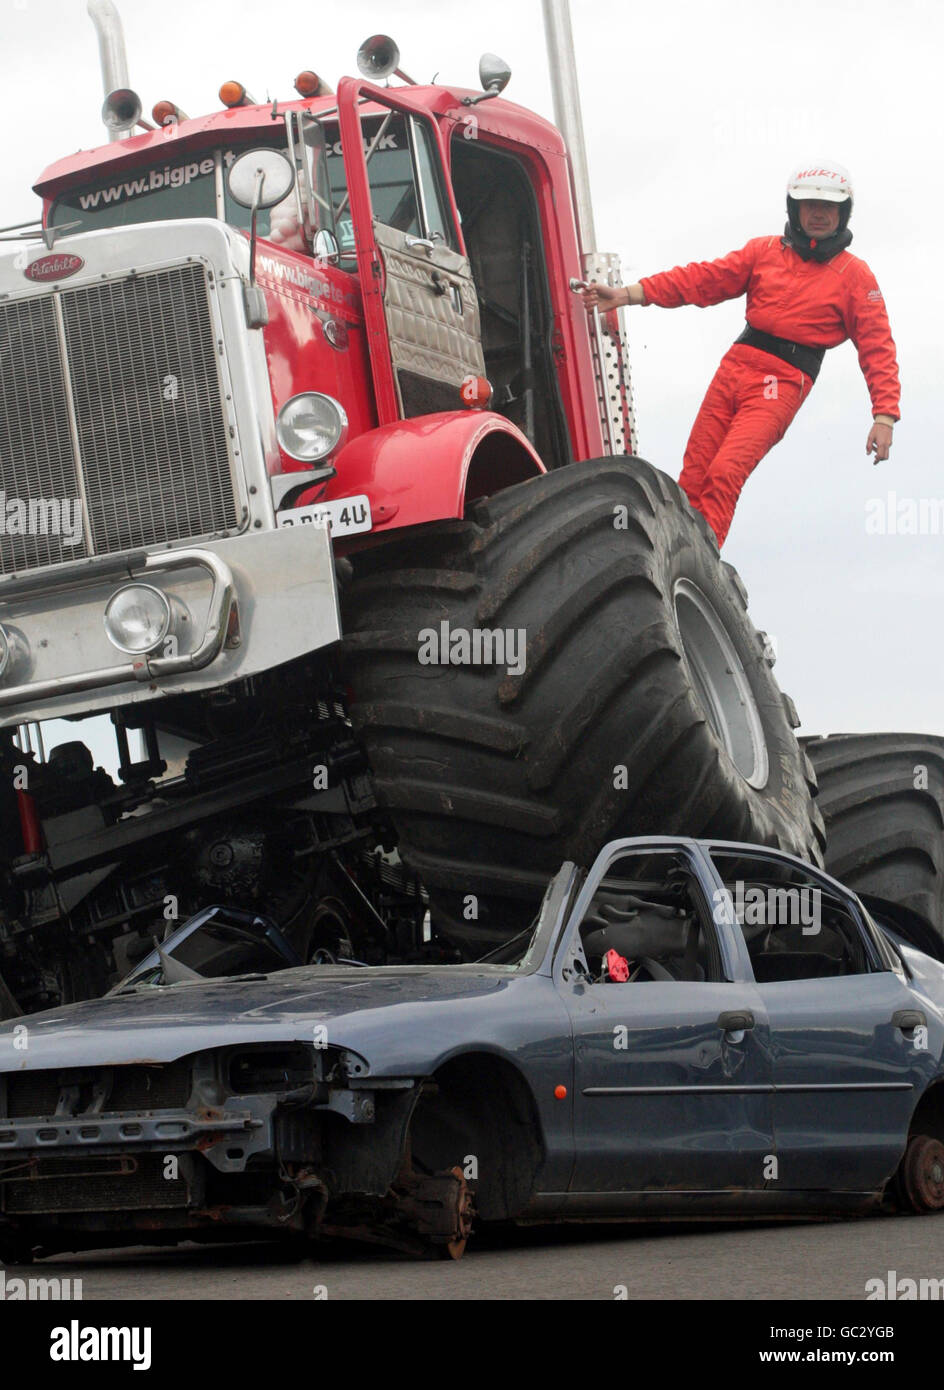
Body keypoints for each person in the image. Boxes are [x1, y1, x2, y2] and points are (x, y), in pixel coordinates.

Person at [579, 163, 900, 547]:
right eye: (808, 203)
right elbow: (702, 279)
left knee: (726, 471)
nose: (817, 213)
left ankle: (702, 564)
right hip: (737, 363)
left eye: (827, 206)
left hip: (781, 382)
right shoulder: (763, 251)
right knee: (694, 475)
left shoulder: (855, 275)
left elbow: (877, 345)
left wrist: (884, 416)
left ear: (842, 213)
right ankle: (675, 557)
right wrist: (631, 293)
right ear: (793, 208)